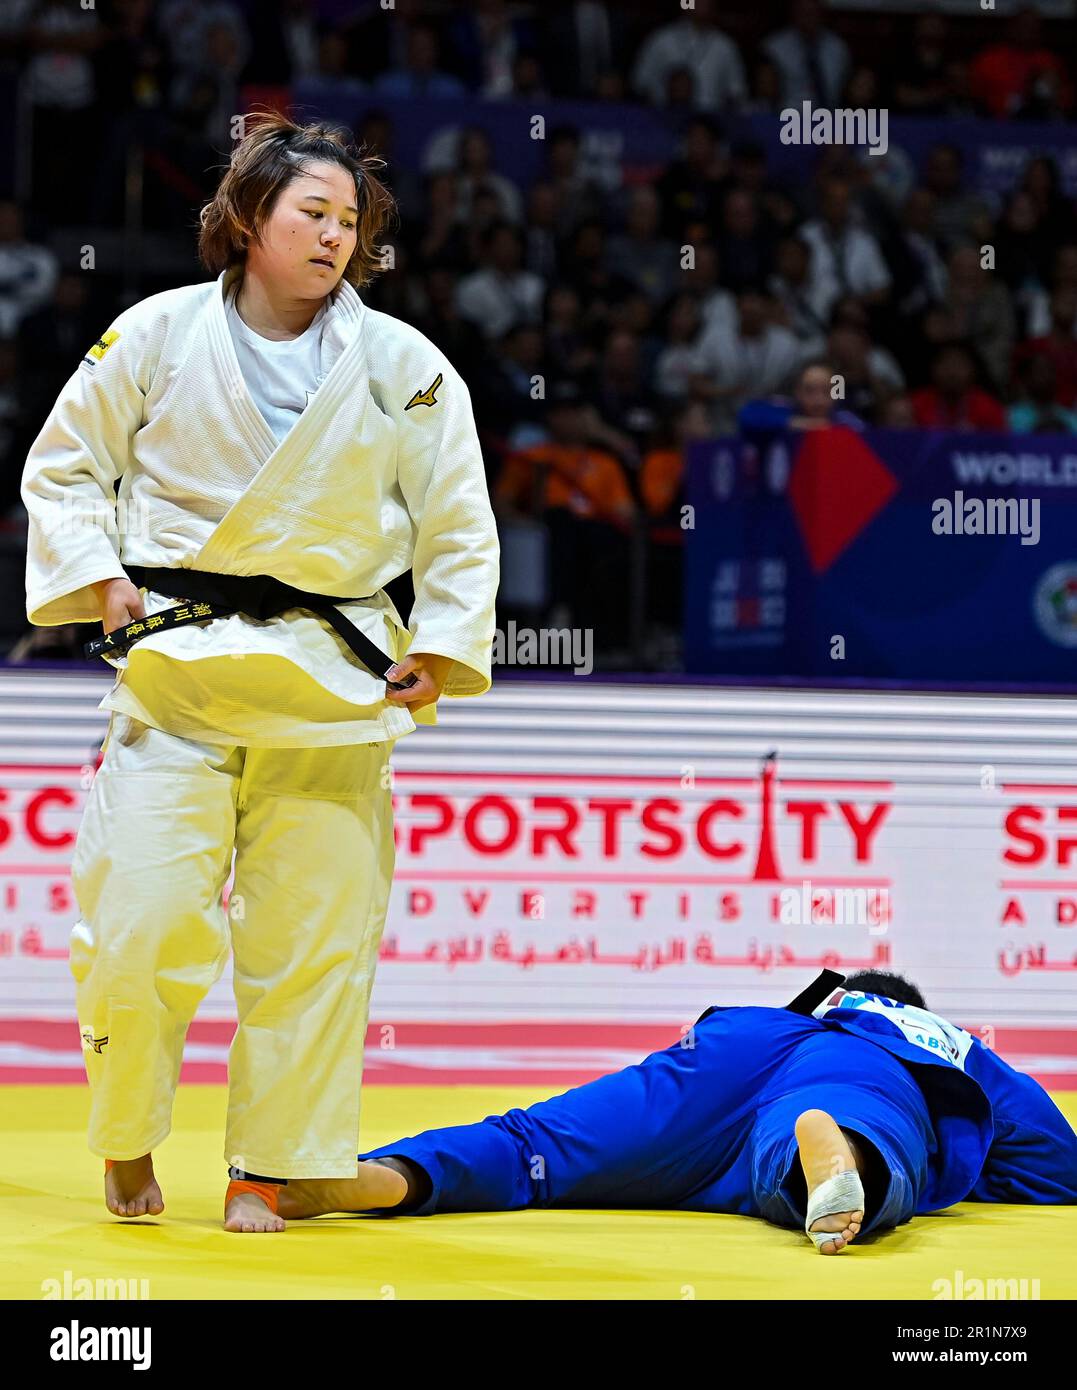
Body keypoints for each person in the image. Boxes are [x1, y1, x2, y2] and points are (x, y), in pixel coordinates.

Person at [20, 113, 500, 1233]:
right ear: (247, 221)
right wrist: (97, 574)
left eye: (351, 220)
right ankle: (130, 1132)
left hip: (332, 689)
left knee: (313, 946)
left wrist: (439, 640)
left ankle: (270, 1163)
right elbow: (66, 466)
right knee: (137, 928)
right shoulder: (154, 333)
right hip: (179, 670)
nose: (336, 236)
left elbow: (459, 521)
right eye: (312, 214)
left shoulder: (404, 365)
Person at [267, 970, 1077, 1252]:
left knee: (534, 1148)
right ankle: (838, 1153)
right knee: (872, 1129)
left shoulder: (788, 1016)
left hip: (727, 1051)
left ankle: (385, 1176)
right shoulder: (909, 1031)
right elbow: (1054, 1159)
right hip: (843, 1075)